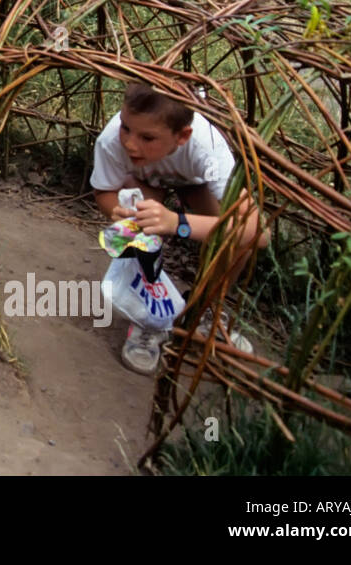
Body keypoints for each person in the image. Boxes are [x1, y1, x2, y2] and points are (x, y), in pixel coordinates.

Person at [91, 82, 269, 374]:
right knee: (136, 220)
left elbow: (258, 233)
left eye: (147, 137)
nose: (130, 143)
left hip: (196, 183)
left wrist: (177, 224)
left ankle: (204, 310)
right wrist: (118, 212)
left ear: (183, 136)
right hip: (143, 182)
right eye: (126, 128)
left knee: (236, 238)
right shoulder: (112, 141)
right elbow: (103, 191)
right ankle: (149, 319)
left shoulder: (207, 147)